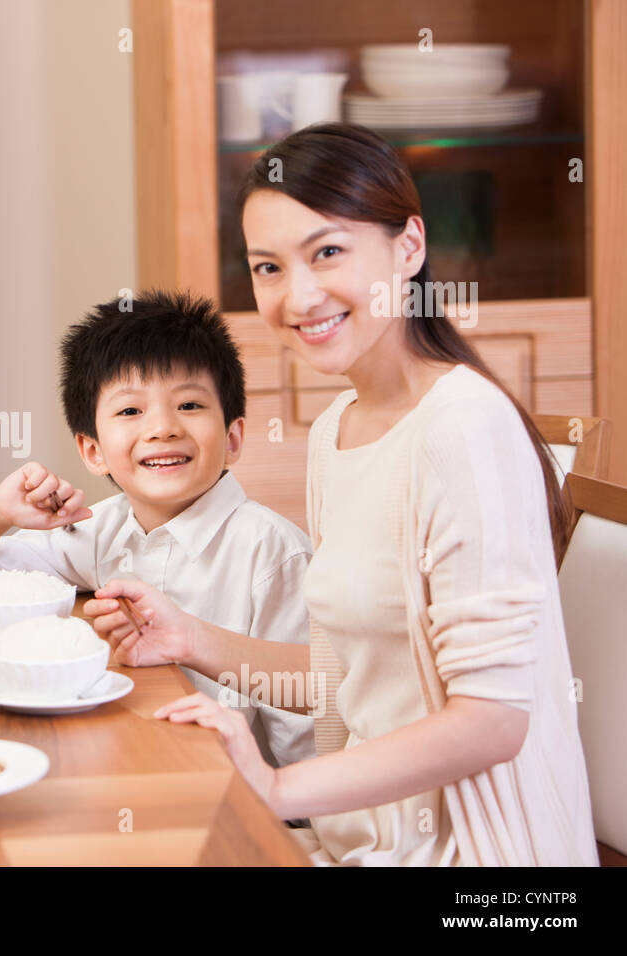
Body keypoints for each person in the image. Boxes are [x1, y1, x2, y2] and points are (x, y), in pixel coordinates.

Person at [86, 123, 597, 865]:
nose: (297, 295)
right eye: (267, 267)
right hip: (358, 842)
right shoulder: (336, 432)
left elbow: (493, 722)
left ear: (409, 247)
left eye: (327, 252)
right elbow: (344, 677)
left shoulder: (465, 429)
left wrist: (280, 788)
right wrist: (189, 639)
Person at [0, 290, 314, 768]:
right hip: (133, 755)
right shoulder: (98, 529)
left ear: (232, 438)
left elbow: (307, 723)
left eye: (189, 405)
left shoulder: (273, 553)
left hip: (244, 795)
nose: (163, 428)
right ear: (92, 452)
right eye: (131, 411)